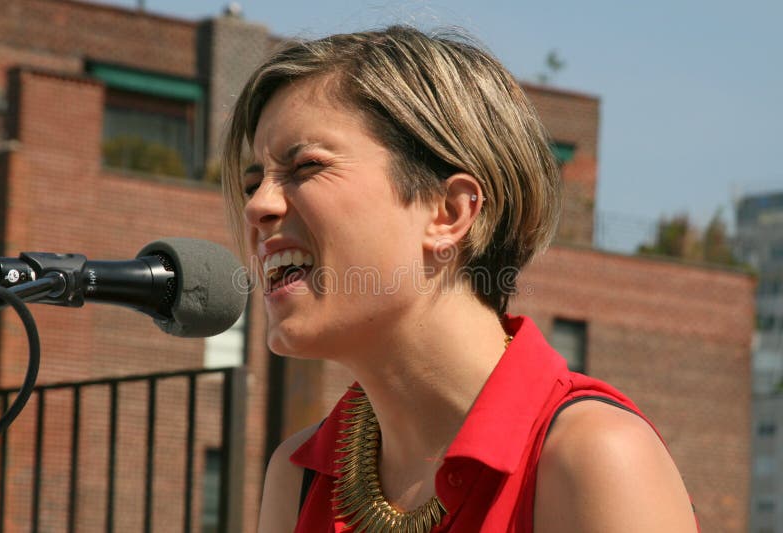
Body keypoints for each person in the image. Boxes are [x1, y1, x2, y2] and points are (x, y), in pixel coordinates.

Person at [222, 26, 699, 533]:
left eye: (305, 166)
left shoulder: (593, 460)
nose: (257, 205)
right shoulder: (298, 478)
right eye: (254, 182)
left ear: (449, 212)